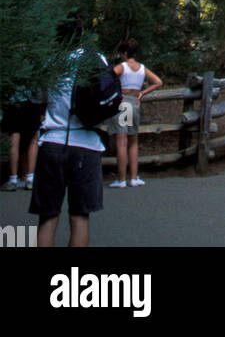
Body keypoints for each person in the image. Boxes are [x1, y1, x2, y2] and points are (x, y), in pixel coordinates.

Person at [29, 15, 106, 248]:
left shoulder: (50, 64)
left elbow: (37, 98)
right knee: (80, 217)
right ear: (81, 36)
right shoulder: (96, 60)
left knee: (48, 216)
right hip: (87, 144)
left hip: (52, 142)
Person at [108, 38, 162, 188]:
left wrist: (117, 91)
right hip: (134, 103)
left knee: (121, 142)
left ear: (124, 53)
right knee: (133, 142)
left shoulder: (122, 67)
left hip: (122, 103)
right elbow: (158, 81)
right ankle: (133, 177)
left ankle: (121, 179)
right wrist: (142, 92)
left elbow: (108, 77)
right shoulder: (142, 68)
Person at [1, 92, 42, 190]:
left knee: (14, 137)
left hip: (14, 100)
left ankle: (13, 179)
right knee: (33, 138)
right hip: (32, 101)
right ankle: (30, 178)